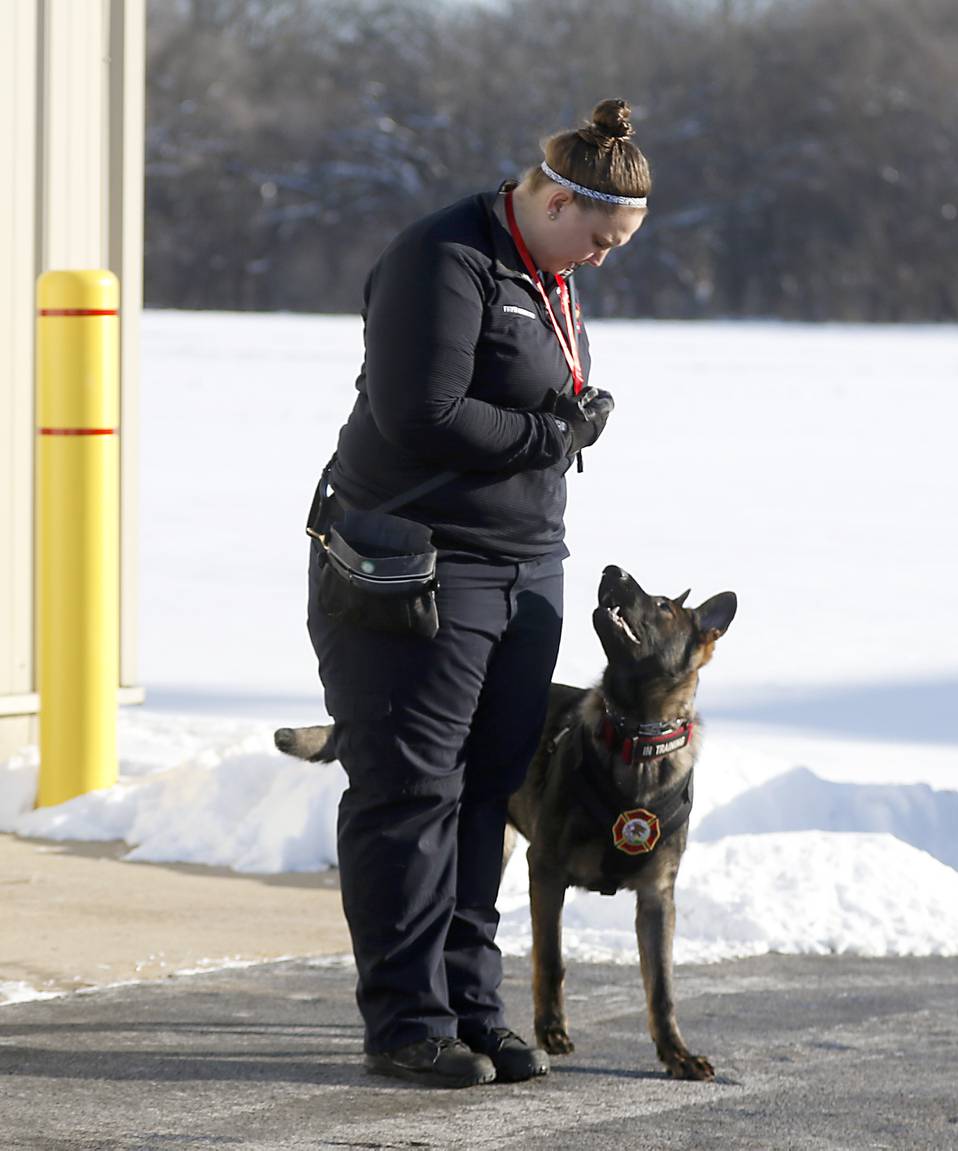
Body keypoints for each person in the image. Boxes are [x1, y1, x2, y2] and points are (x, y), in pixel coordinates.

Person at [304, 99, 650, 1088]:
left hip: (521, 566)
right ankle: (407, 1019)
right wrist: (552, 436)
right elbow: (422, 413)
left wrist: (573, 412)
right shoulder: (444, 258)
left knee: (486, 789)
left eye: (618, 243)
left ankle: (470, 1005)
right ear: (551, 200)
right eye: (599, 236)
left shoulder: (544, 268)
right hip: (413, 566)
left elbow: (519, 387)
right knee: (411, 788)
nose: (603, 258)